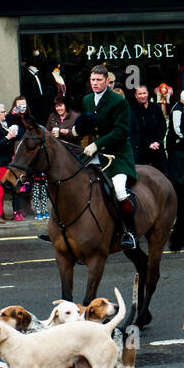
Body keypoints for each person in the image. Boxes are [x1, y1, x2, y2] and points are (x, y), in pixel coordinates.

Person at [80, 63, 139, 250]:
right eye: (92, 80)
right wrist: (67, 131)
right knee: (72, 182)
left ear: (107, 81)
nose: (95, 83)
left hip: (118, 156)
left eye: (98, 80)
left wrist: (96, 144)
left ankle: (129, 232)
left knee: (119, 190)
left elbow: (121, 131)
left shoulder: (118, 101)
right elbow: (87, 124)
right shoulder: (87, 100)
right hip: (95, 154)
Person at [0, 102, 23, 222]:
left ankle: (0, 212)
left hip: (5, 160)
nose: (5, 113)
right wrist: (8, 137)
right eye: (2, 111)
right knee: (0, 187)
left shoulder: (1, 123)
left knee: (4, 187)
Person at [130, 84, 167, 171]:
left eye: (144, 93)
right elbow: (137, 131)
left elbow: (163, 125)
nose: (143, 96)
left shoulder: (155, 107)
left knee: (162, 174)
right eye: (140, 94)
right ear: (135, 95)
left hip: (157, 147)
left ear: (148, 93)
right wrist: (148, 144)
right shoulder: (133, 110)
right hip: (142, 149)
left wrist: (158, 141)